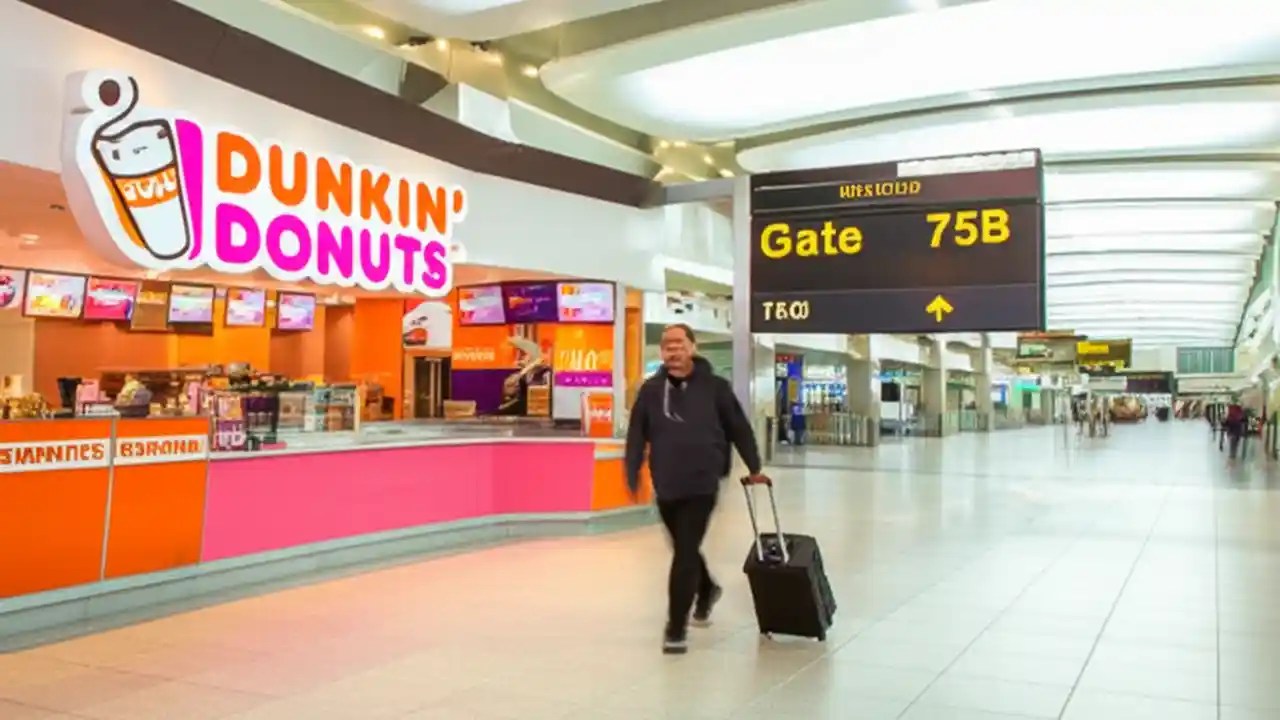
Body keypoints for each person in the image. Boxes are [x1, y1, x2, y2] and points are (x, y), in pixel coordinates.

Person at [625, 323, 765, 655]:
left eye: (679, 343)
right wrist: (632, 471)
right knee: (684, 547)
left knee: (685, 552)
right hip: (667, 482)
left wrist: (755, 465)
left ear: (693, 346)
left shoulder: (716, 387)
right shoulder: (651, 390)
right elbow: (636, 433)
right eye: (666, 345)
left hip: (703, 481)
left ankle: (675, 629)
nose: (673, 349)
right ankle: (706, 589)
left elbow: (738, 427)